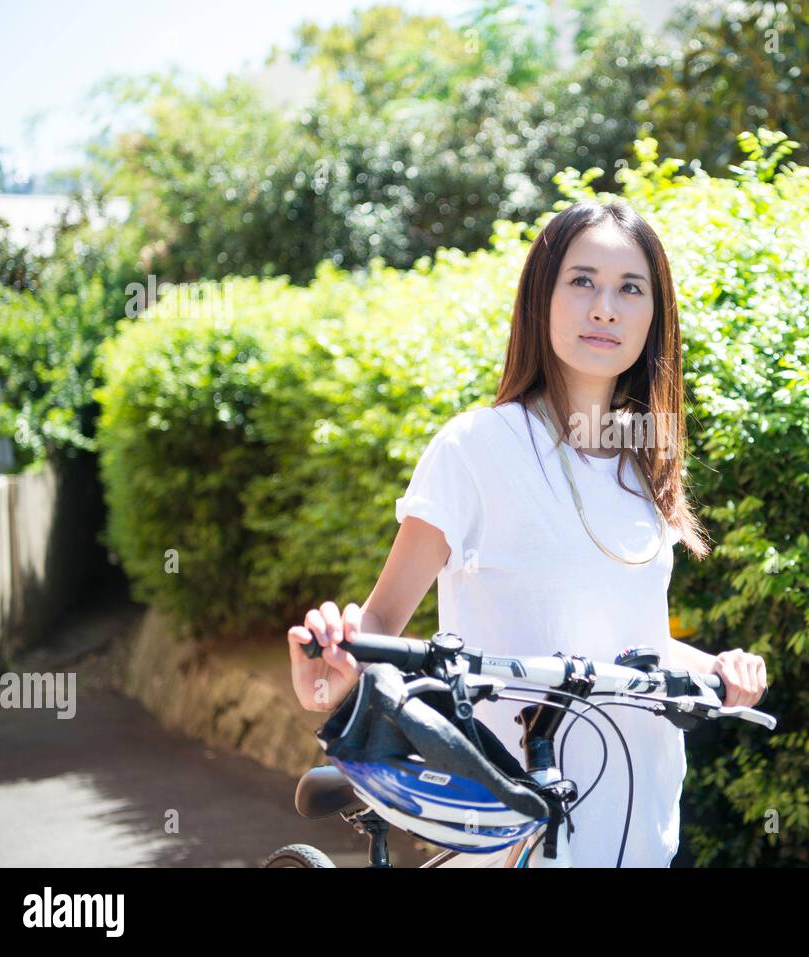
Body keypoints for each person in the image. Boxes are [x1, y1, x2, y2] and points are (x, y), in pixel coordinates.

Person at [286, 199, 768, 867]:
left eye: (631, 289)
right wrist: (331, 666)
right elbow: (381, 624)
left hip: (637, 815)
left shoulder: (645, 468)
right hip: (511, 813)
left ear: (655, 317)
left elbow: (634, 644)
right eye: (582, 281)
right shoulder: (476, 448)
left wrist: (717, 668)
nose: (606, 307)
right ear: (540, 299)